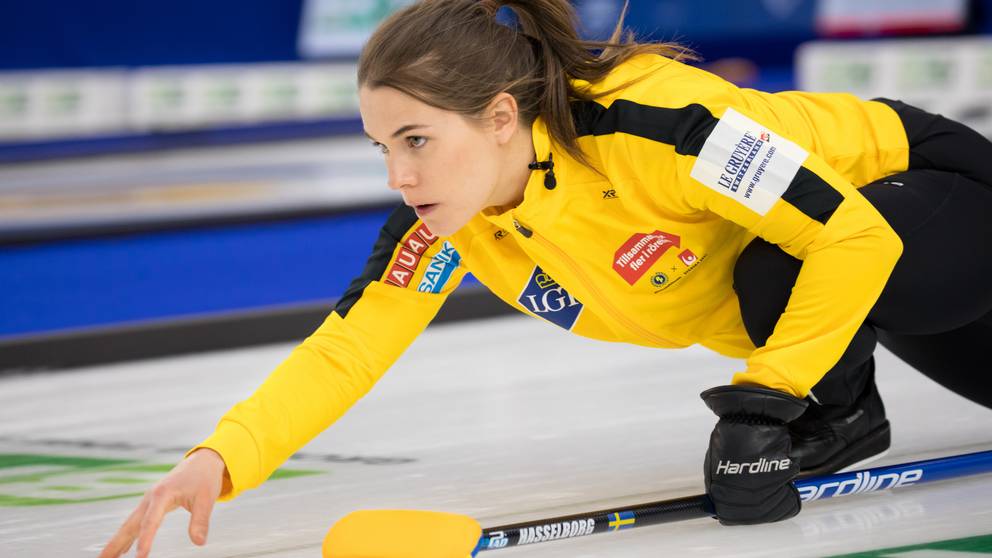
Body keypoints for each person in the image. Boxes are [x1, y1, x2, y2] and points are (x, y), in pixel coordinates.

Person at [100, 0, 992, 555]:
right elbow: (350, 348)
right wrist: (221, 459)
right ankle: (834, 401)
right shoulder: (451, 223)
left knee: (774, 265)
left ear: (497, 118)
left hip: (925, 194)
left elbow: (852, 239)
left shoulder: (657, 126)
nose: (397, 178)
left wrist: (768, 404)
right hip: (866, 286)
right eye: (381, 148)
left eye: (415, 142)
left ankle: (843, 416)